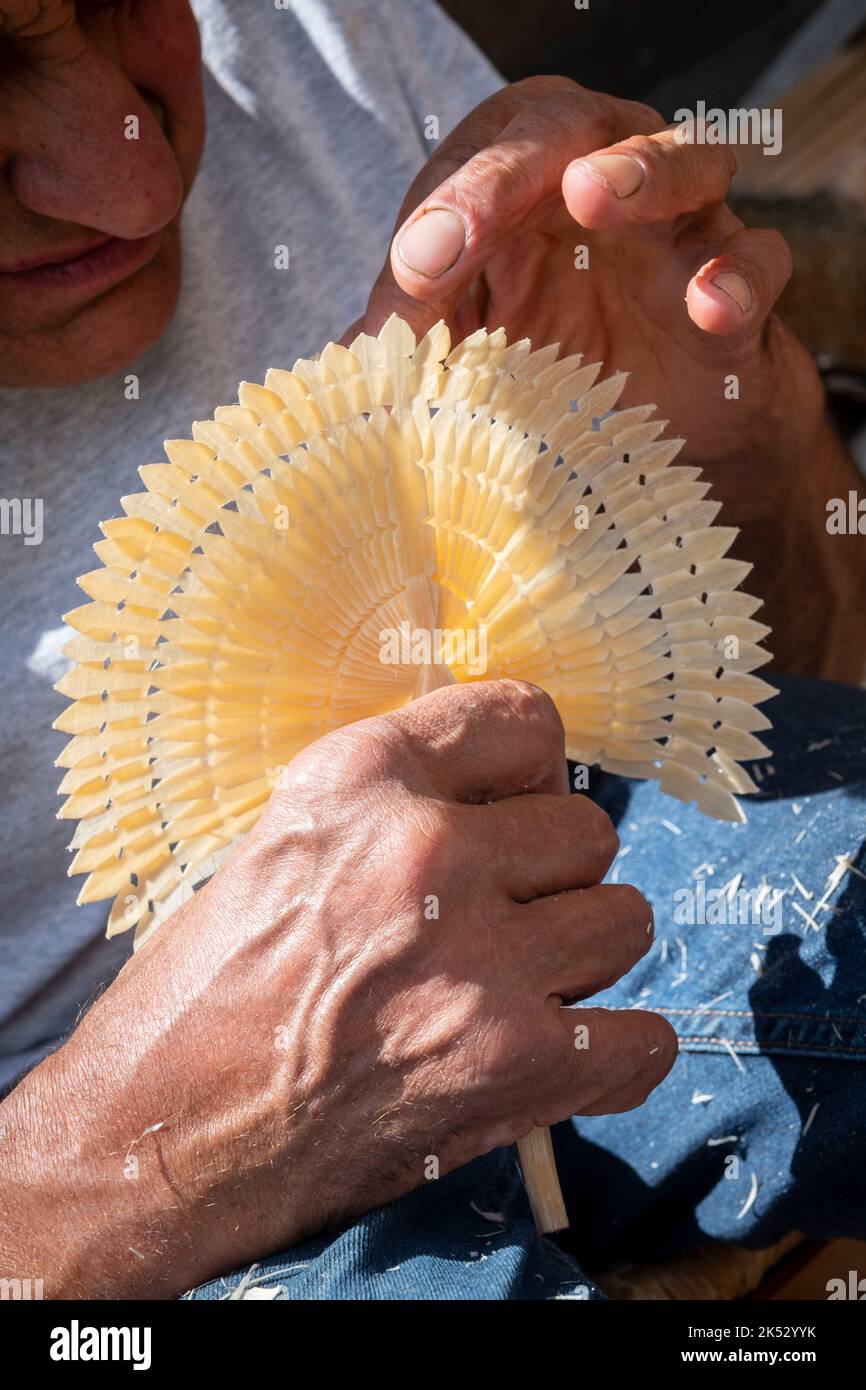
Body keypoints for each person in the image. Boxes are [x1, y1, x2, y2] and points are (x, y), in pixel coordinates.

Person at [0, 0, 864, 1301]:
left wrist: (753, 455)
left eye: (118, 2)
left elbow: (803, 681)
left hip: (556, 869)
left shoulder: (324, 32)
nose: (128, 187)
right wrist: (126, 1164)